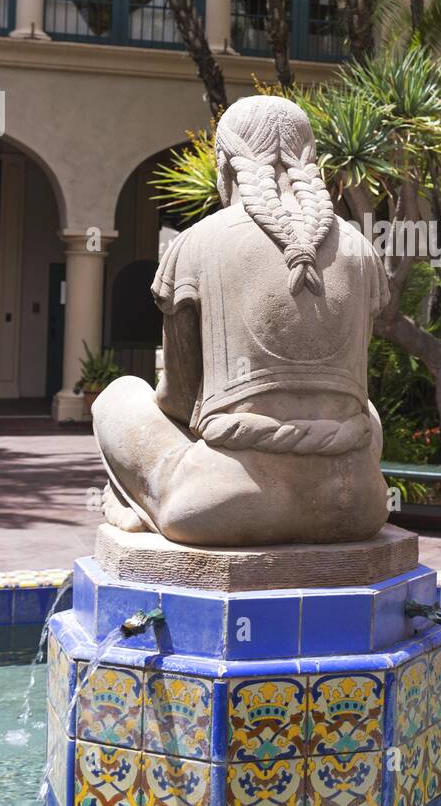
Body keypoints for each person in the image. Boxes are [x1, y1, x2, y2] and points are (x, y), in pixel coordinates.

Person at [92, 96, 391, 546]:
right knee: (362, 411)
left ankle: (141, 504)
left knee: (118, 396)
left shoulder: (199, 242)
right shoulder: (359, 249)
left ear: (227, 165)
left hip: (223, 503)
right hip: (356, 503)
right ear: (310, 162)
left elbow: (178, 401)